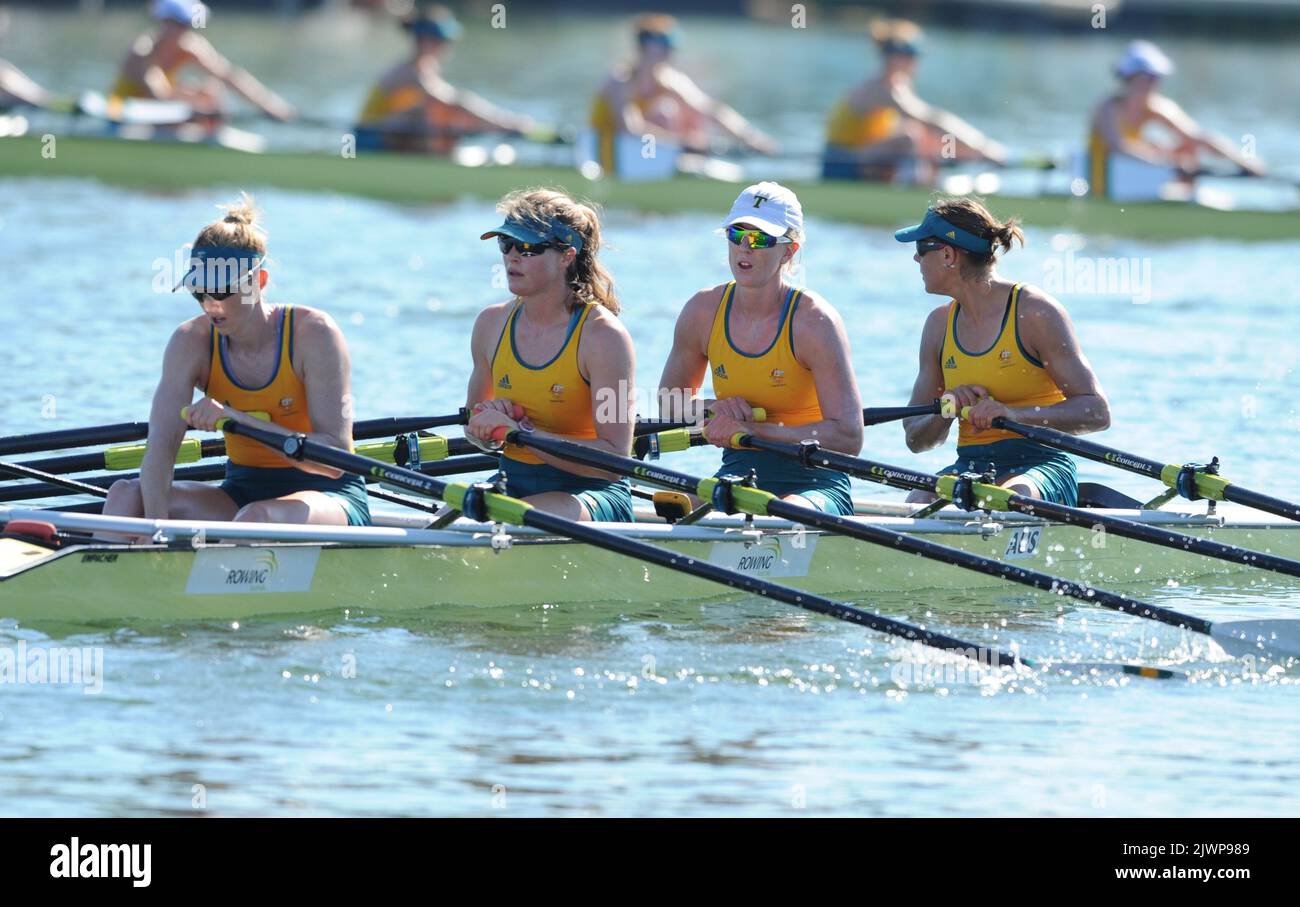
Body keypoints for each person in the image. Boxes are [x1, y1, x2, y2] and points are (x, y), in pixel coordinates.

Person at [103, 195, 370, 528]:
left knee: (256, 518)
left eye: (222, 291)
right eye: (199, 292)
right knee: (126, 496)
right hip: (242, 492)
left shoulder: (314, 334)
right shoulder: (190, 343)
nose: (210, 305)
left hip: (328, 495)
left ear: (259, 282)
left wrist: (236, 419)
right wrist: (156, 529)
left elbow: (334, 461)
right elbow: (160, 449)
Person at [657, 182, 863, 514]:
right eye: (736, 236)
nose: (744, 249)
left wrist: (752, 429)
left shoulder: (815, 323)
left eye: (759, 239)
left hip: (813, 483)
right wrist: (713, 407)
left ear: (789, 251)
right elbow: (670, 405)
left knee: (782, 517)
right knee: (670, 512)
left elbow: (849, 437)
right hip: (737, 477)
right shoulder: (702, 311)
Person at [895, 198, 1110, 506]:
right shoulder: (938, 326)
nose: (916, 258)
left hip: (1040, 465)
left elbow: (1097, 412)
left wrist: (1012, 414)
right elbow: (916, 439)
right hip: (970, 466)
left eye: (921, 248)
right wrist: (947, 409)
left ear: (947, 255)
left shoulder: (1035, 313)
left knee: (1013, 497)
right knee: (917, 500)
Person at [464, 189, 636, 522]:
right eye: (506, 245)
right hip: (512, 486)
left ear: (566, 256)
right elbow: (473, 427)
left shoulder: (603, 337)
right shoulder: (490, 324)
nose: (512, 257)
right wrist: (487, 422)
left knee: (510, 518)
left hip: (591, 493)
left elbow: (616, 459)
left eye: (528, 247)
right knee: (446, 521)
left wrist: (522, 435)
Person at [588, 13, 777, 178]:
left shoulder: (668, 79)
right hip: (607, 153)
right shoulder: (620, 79)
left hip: (644, 154)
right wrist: (683, 143)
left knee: (674, 113)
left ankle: (681, 167)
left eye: (671, 42)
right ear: (644, 46)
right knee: (664, 114)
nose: (670, 49)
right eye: (663, 42)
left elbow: (709, 109)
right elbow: (631, 129)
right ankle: (676, 166)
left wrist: (749, 136)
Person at [822, 19, 1006, 185]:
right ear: (892, 56)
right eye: (911, 53)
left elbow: (930, 124)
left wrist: (966, 151)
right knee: (909, 137)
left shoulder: (901, 86)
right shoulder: (878, 89)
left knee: (923, 136)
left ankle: (933, 186)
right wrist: (983, 147)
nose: (916, 60)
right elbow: (932, 119)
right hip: (839, 166)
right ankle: (923, 192)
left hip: (865, 160)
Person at [1086, 40, 1266, 200]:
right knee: (1159, 150)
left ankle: (1187, 200)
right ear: (1129, 78)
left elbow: (1199, 138)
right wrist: (1166, 162)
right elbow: (1119, 149)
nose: (1153, 84)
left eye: (1156, 78)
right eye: (1147, 78)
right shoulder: (1107, 108)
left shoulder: (1156, 107)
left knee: (1188, 147)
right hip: (1103, 185)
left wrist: (1242, 162)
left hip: (1135, 182)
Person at [355, 4, 534, 155]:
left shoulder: (426, 69)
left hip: (391, 138)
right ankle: (446, 161)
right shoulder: (408, 72)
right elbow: (454, 101)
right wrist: (505, 124)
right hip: (368, 142)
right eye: (442, 41)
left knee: (437, 112)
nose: (446, 47)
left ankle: (446, 157)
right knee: (437, 108)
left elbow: (454, 99)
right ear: (425, 41)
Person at [109, 0, 295, 123]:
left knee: (212, 89)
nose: (184, 32)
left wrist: (268, 104)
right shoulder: (143, 49)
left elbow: (229, 76)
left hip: (162, 113)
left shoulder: (190, 47)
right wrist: (199, 108)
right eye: (180, 25)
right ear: (164, 21)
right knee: (201, 98)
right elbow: (158, 94)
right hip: (125, 112)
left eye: (187, 26)